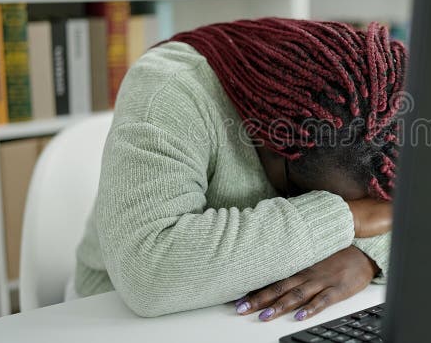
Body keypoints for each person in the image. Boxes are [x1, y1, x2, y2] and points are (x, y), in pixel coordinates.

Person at [74, 18, 407, 322]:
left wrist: (365, 254)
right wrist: (347, 220)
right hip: (113, 316)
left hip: (250, 309)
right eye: (316, 196)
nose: (373, 209)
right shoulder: (165, 92)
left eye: (379, 202)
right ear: (275, 146)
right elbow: (148, 273)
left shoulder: (369, 94)